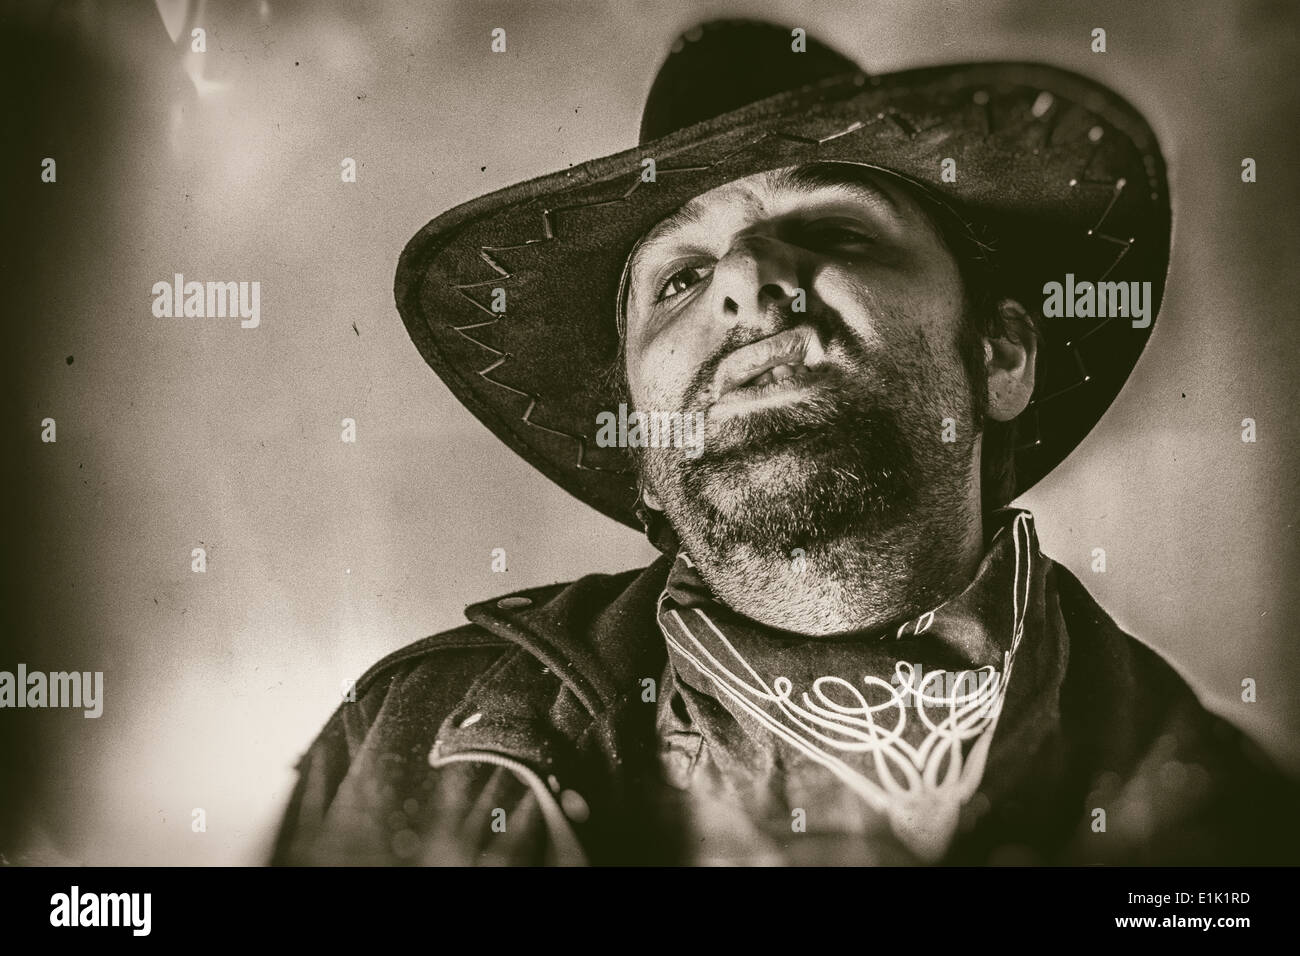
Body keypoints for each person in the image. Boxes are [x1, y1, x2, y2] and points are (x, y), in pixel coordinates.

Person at [272, 19, 1297, 865]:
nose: (749, 281)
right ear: (641, 442)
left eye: (839, 231)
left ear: (1000, 356)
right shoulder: (399, 748)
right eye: (678, 277)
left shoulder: (1233, 831)